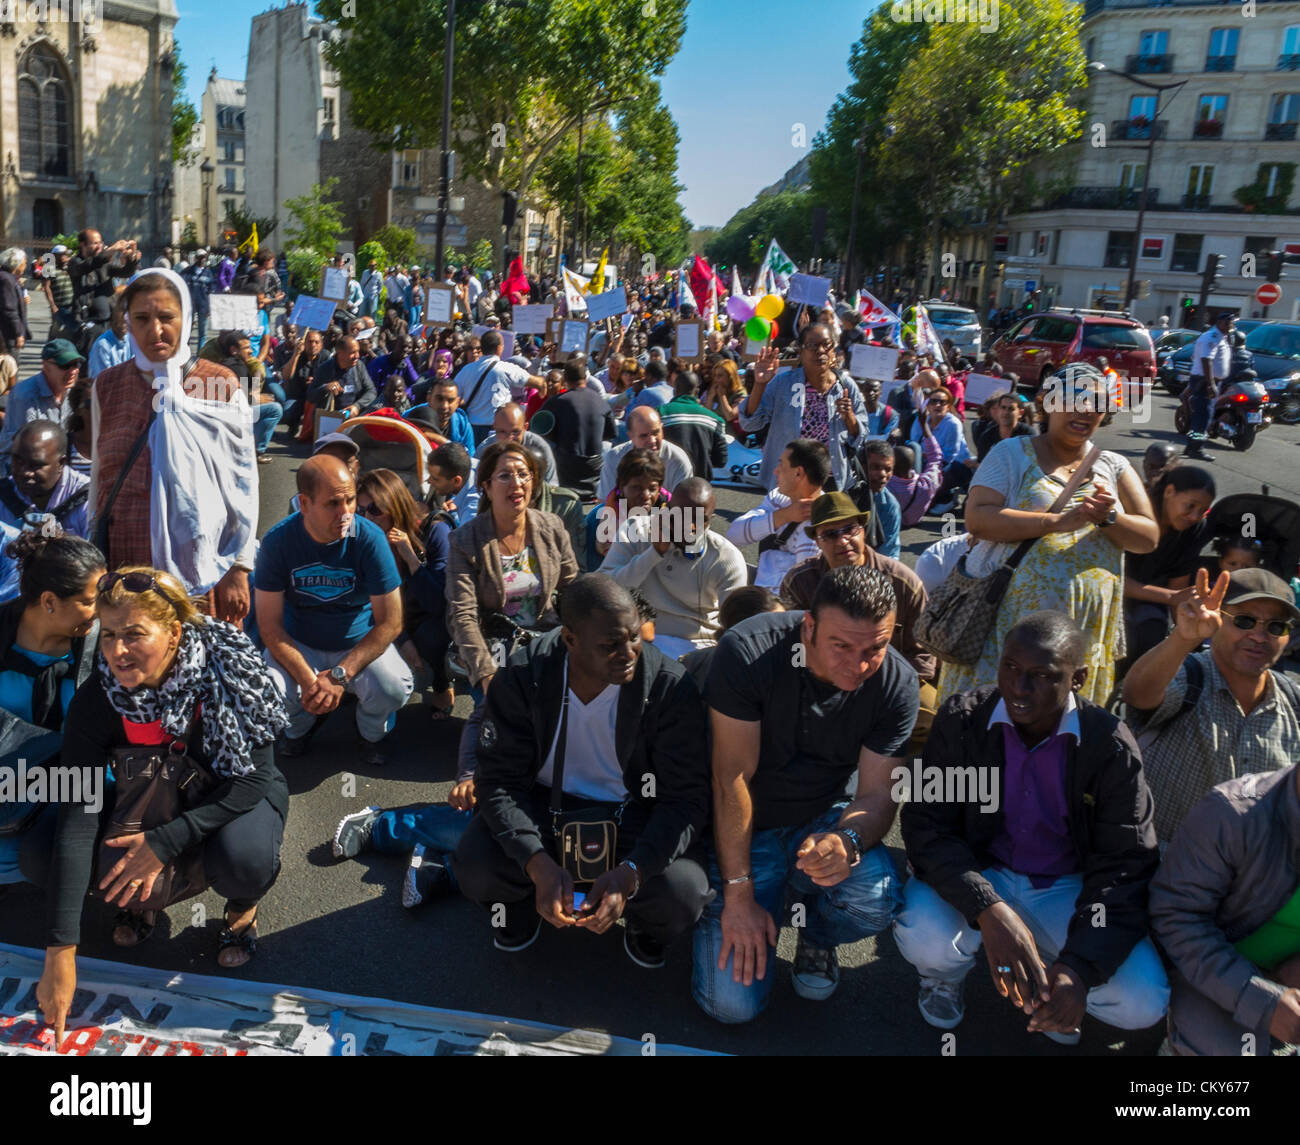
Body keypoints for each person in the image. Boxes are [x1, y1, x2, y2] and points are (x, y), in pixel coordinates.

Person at [33, 564, 291, 1049]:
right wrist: (60, 951)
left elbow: (254, 778)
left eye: (134, 634)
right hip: (152, 796)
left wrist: (165, 841)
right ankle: (144, 902)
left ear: (173, 633)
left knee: (244, 859)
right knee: (45, 851)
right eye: (108, 635)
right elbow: (77, 811)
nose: (117, 651)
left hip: (232, 797)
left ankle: (241, 909)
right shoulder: (97, 699)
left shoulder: (229, 671)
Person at [895, 611, 1168, 1040]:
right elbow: (927, 826)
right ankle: (944, 977)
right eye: (1011, 668)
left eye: (1041, 675)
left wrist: (1079, 968)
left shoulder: (1109, 746)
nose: (1018, 689)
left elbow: (1125, 865)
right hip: (982, 870)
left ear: (1077, 678)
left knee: (1142, 1000)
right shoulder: (964, 720)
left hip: (1068, 886)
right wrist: (987, 908)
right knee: (923, 932)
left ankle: (1053, 983)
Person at [693, 566, 918, 1023]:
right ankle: (727, 904)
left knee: (875, 895)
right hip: (746, 827)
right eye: (842, 647)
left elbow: (877, 796)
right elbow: (730, 777)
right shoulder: (750, 653)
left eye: (875, 648)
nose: (859, 666)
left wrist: (848, 842)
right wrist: (738, 895)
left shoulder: (896, 683)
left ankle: (817, 933)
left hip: (819, 819)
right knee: (731, 1007)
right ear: (809, 627)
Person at [452, 574, 712, 962]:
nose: (628, 652)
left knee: (682, 894)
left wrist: (631, 874)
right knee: (475, 864)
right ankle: (520, 906)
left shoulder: (668, 688)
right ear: (569, 639)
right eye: (610, 645)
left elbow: (686, 799)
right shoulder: (524, 676)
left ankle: (643, 922)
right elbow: (499, 782)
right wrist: (535, 861)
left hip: (633, 814)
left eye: (634, 637)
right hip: (541, 807)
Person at [938, 368, 1159, 707]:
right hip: (1009, 633)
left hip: (1085, 631)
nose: (1085, 411)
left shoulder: (1113, 464)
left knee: (1065, 736)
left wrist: (1109, 518)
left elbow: (1148, 538)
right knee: (996, 726)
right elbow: (978, 518)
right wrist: (1054, 521)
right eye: (1074, 400)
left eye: (1096, 403)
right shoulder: (1011, 453)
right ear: (1047, 403)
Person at [89, 269, 257, 620]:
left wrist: (239, 567)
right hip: (125, 563)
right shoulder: (107, 386)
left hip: (201, 567)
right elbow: (99, 479)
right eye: (142, 319)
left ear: (187, 319)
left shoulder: (219, 383)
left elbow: (243, 482)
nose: (156, 330)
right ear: (128, 323)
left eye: (167, 317)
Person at [1121, 567, 1300, 843]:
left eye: (1276, 627)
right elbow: (1138, 694)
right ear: (1216, 618)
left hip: (1255, 880)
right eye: (1244, 621)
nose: (1259, 636)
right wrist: (1184, 638)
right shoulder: (1188, 675)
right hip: (1164, 873)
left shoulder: (1293, 701)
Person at [255, 455, 413, 767]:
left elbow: (391, 622)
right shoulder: (278, 542)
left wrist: (340, 675)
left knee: (394, 687)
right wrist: (311, 682)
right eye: (332, 504)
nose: (346, 514)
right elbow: (269, 626)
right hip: (299, 642)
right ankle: (299, 728)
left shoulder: (370, 538)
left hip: (357, 641)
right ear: (304, 503)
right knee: (265, 689)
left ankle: (371, 732)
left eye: (351, 500)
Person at [446, 441, 579, 780]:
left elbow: (571, 589)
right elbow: (462, 615)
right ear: (487, 487)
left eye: (524, 474)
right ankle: (470, 778)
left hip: (545, 637)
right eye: (504, 476)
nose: (516, 483)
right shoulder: (466, 540)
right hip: (496, 641)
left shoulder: (551, 527)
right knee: (497, 699)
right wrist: (486, 673)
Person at [1149, 764, 1300, 1056]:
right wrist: (1261, 999)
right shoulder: (1229, 814)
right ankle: (1178, 1039)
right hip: (1213, 974)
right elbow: (1176, 918)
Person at [780, 490, 936, 743]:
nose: (842, 541)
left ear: (863, 529)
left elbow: (922, 653)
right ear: (817, 541)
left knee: (930, 717)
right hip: (821, 680)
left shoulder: (904, 582)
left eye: (849, 529)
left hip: (887, 679)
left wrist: (886, 690)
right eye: (830, 534)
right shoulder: (799, 582)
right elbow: (793, 650)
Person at [0, 534, 104, 890]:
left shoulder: (103, 647)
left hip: (79, 780)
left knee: (38, 857)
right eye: (91, 601)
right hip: (9, 777)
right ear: (49, 601)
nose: (101, 610)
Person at [599, 477, 747, 661]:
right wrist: (653, 554)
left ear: (712, 519)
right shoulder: (636, 530)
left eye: (701, 520)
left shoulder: (725, 557)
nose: (691, 527)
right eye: (682, 517)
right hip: (640, 636)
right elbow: (605, 590)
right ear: (666, 509)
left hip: (696, 645)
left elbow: (739, 624)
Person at [739, 327, 869, 495]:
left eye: (826, 345)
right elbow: (750, 423)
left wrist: (849, 416)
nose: (820, 351)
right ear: (801, 350)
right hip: (788, 480)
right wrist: (760, 384)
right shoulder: (784, 384)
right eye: (813, 346)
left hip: (830, 481)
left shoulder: (845, 386)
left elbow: (861, 435)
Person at [1123, 464, 1215, 664]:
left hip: (1151, 602)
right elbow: (1112, 579)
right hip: (1111, 593)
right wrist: (1171, 597)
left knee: (1151, 640)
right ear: (1169, 491)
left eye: (1202, 510)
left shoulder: (1195, 528)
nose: (1194, 516)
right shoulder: (1132, 512)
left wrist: (1188, 637)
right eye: (1190, 506)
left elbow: (1179, 586)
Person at [726, 438, 827, 590]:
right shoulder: (778, 498)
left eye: (782, 464)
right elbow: (733, 536)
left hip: (781, 607)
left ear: (798, 473)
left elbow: (803, 587)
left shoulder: (818, 525)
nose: (776, 471)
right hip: (762, 595)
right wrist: (784, 516)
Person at [0, 339, 83, 474]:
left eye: (76, 364)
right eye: (65, 365)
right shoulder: (24, 395)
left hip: (54, 465)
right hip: (20, 468)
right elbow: (29, 447)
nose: (73, 371)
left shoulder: (72, 393)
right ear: (46, 366)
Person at [0, 421, 90, 538]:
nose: (25, 472)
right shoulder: (4, 493)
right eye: (18, 460)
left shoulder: (88, 499)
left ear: (61, 464)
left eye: (35, 465)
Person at [542, 361, 617, 500]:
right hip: (594, 469)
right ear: (585, 378)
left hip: (566, 469)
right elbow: (611, 433)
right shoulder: (600, 401)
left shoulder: (556, 402)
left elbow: (539, 430)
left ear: (564, 379)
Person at [597, 406, 693, 503]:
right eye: (644, 436)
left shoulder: (678, 461)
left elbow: (684, 509)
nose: (652, 440)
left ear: (662, 428)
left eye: (656, 433)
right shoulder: (615, 457)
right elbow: (604, 503)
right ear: (631, 436)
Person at [455, 330, 530, 444]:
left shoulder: (466, 370)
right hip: (496, 430)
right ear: (499, 348)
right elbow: (535, 381)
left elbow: (454, 395)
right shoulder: (506, 368)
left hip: (472, 429)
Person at [659, 370, 728, 482]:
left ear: (675, 390)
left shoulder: (658, 414)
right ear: (697, 391)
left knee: (623, 499)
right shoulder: (716, 420)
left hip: (667, 484)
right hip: (700, 486)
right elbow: (720, 461)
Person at [1184, 312, 1234, 462]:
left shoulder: (1221, 337)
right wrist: (1211, 384)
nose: (1231, 326)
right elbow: (1206, 360)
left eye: (1232, 323)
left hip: (1206, 380)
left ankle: (1192, 446)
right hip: (1205, 381)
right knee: (1203, 417)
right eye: (1228, 322)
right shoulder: (1212, 337)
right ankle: (1196, 449)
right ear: (1219, 322)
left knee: (1202, 416)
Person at [67, 230, 139, 330]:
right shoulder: (75, 262)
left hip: (111, 319)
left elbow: (126, 272)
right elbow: (88, 265)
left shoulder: (104, 264)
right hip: (88, 321)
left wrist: (132, 258)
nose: (99, 246)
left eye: (100, 242)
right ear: (83, 244)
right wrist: (110, 251)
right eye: (95, 243)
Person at [475, 402, 558, 486]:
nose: (509, 438)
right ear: (494, 428)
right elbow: (476, 487)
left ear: (525, 428)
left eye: (515, 432)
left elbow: (551, 486)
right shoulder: (484, 451)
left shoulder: (540, 448)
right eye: (502, 432)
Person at [307, 335, 379, 420]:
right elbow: (310, 396)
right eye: (353, 353)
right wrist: (325, 388)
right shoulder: (324, 369)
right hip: (330, 417)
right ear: (340, 353)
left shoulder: (359, 366)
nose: (357, 356)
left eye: (358, 351)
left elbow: (371, 391)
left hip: (353, 417)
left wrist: (357, 406)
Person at [409, 376, 476, 452]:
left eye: (450, 400)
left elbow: (469, 459)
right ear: (429, 399)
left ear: (457, 402)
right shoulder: (411, 418)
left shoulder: (463, 426)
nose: (444, 406)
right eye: (439, 399)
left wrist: (442, 442)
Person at [860, 440, 902, 560]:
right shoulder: (844, 495)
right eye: (875, 467)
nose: (883, 474)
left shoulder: (889, 505)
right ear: (861, 466)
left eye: (888, 469)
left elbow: (889, 554)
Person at [428, 440, 479, 525]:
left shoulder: (472, 512)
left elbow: (468, 538)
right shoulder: (466, 463)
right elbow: (458, 451)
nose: (429, 481)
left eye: (435, 479)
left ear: (456, 481)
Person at [86, 298, 131, 379]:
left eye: (124, 322)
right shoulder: (102, 346)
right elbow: (103, 380)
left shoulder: (130, 339)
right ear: (111, 323)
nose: (121, 326)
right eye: (117, 322)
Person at [181, 249, 215, 351]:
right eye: (200, 257)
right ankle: (185, 352)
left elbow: (211, 291)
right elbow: (180, 284)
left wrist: (210, 308)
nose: (202, 260)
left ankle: (199, 355)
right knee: (187, 331)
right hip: (190, 306)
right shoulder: (187, 272)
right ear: (196, 258)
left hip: (203, 306)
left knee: (202, 332)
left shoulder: (208, 273)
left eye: (204, 257)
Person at [0, 248, 31, 356]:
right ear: (17, 263)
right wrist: (18, 333)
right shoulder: (7, 279)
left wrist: (21, 300)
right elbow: (9, 309)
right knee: (10, 368)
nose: (26, 266)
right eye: (25, 263)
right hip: (8, 334)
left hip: (7, 333)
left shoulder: (8, 277)